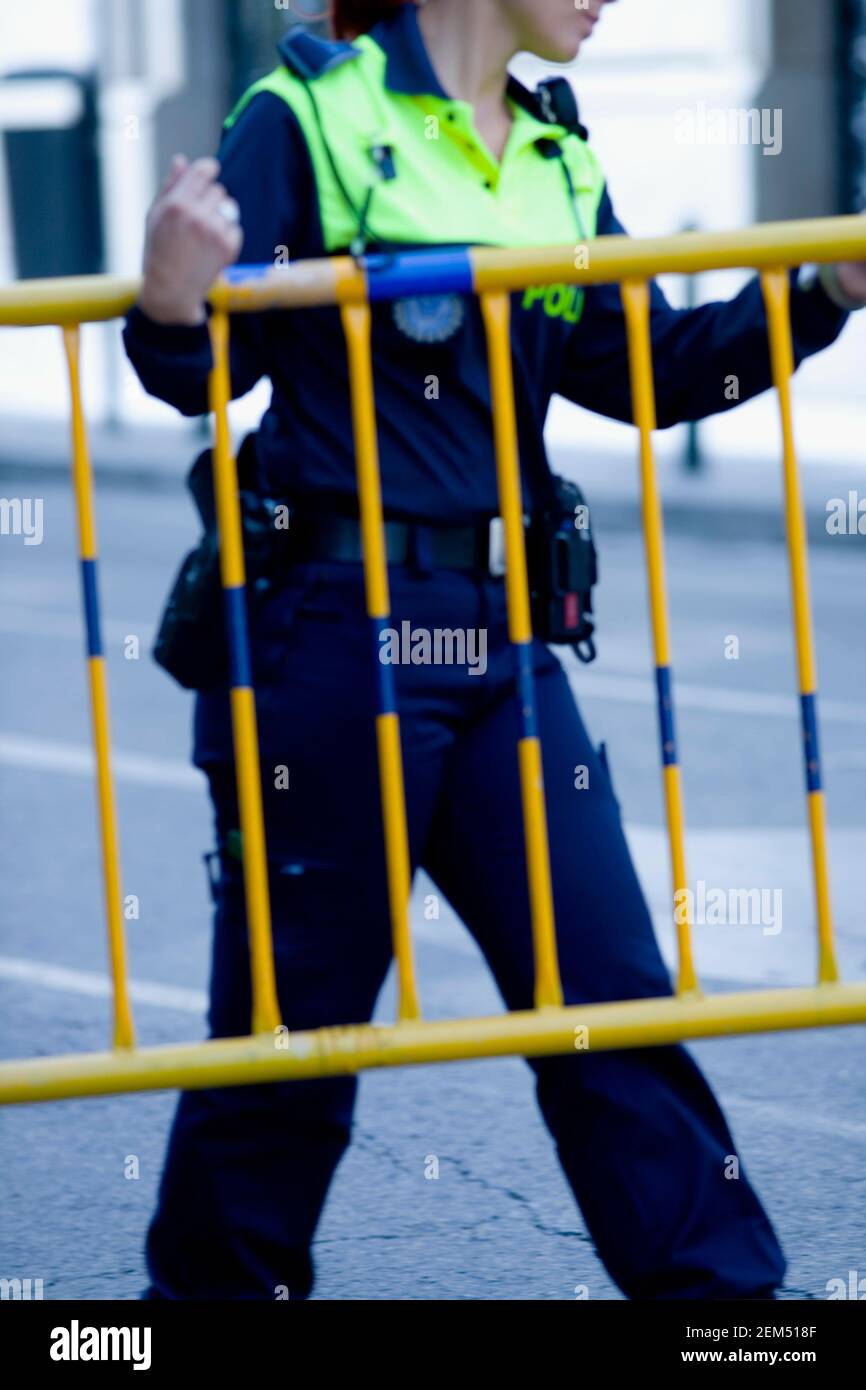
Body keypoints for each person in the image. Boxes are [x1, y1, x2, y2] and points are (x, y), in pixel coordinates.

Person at [124, 0, 866, 1300]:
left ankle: (729, 1313)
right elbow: (193, 375)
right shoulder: (307, 116)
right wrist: (173, 301)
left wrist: (818, 295)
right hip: (330, 643)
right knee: (292, 1045)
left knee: (613, 1003)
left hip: (508, 648)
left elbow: (644, 374)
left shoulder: (554, 151)